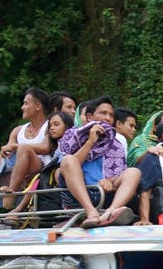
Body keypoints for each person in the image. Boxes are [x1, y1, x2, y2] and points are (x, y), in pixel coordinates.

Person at [57, 95, 141, 228]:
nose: (108, 118)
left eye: (111, 115)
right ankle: (91, 212)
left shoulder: (116, 143)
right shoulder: (72, 135)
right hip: (77, 196)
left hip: (105, 194)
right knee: (69, 160)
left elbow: (119, 175)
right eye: (103, 113)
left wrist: (109, 181)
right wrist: (90, 142)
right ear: (90, 117)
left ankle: (109, 213)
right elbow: (65, 169)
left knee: (133, 172)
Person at [0, 88, 50, 210]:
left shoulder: (49, 126)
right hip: (17, 170)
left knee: (23, 149)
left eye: (26, 103)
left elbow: (46, 148)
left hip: (38, 169)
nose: (22, 107)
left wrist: (16, 146)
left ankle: (11, 192)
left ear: (38, 106)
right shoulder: (18, 131)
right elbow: (4, 156)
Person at [3, 110, 74, 221]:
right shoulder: (54, 144)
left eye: (56, 124)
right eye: (50, 125)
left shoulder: (72, 143)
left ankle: (17, 208)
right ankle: (13, 201)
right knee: (38, 179)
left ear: (67, 126)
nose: (51, 128)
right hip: (47, 178)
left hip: (61, 177)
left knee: (39, 179)